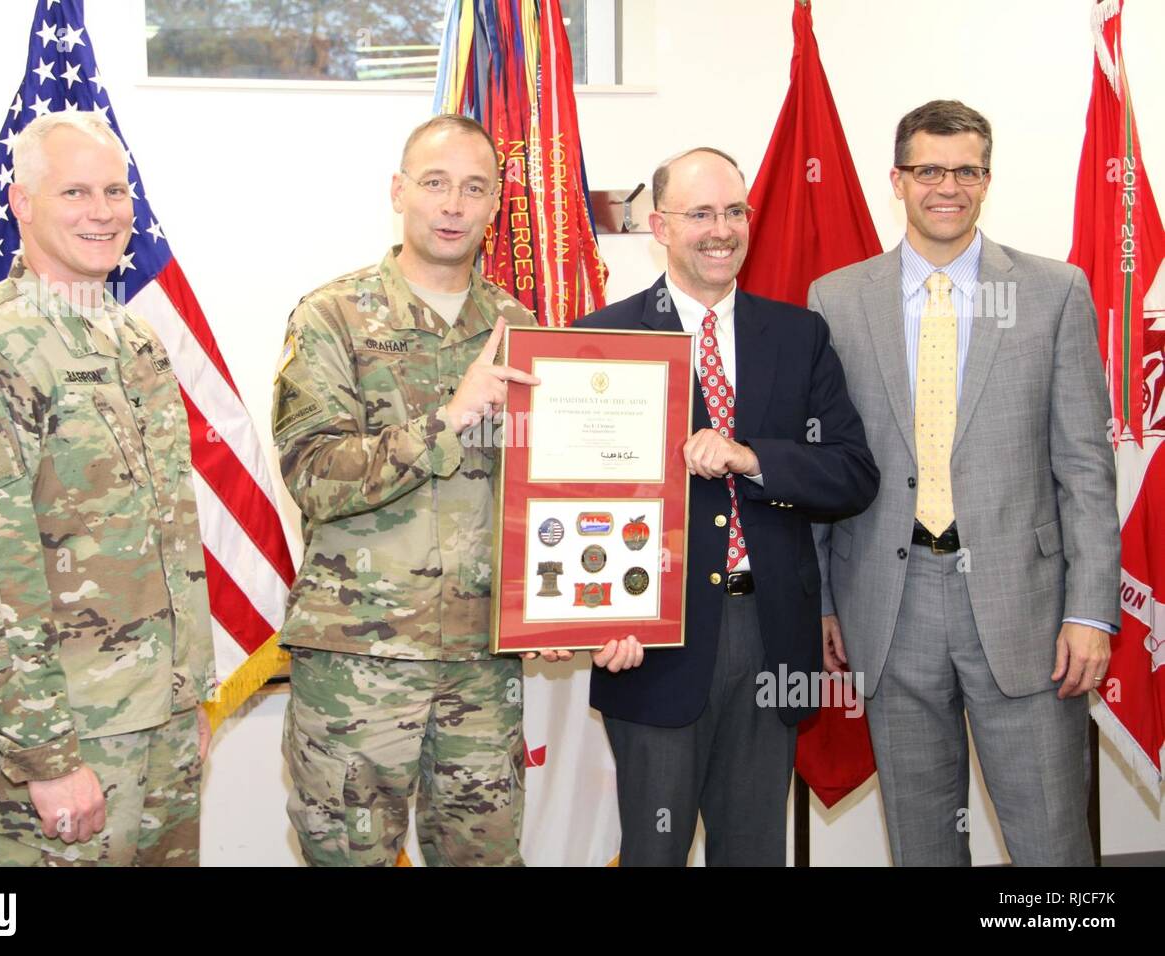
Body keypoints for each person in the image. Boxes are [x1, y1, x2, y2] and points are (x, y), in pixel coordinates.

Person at [809, 100, 1119, 866]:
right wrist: (821, 600)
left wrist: (1092, 610)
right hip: (889, 605)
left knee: (1050, 842)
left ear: (986, 179)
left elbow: (1086, 468)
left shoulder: (1054, 292)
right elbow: (824, 462)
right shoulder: (838, 300)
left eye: (966, 171)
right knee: (922, 844)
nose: (947, 187)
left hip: (1030, 613)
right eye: (929, 170)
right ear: (898, 179)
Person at [0, 111, 215, 866]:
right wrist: (46, 757)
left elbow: (164, 539)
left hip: (160, 726)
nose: (102, 212)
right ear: (21, 203)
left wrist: (188, 698)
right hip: (61, 740)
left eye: (116, 191)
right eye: (75, 191)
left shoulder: (134, 339)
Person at [272, 114, 563, 866]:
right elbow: (313, 473)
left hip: (481, 666)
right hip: (358, 666)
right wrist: (449, 419)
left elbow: (544, 491)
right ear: (399, 192)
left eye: (474, 188)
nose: (453, 205)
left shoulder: (517, 325)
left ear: (497, 204)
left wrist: (557, 598)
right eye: (435, 184)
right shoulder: (331, 317)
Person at [574, 147, 878, 865]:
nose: (722, 229)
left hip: (770, 636)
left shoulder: (799, 335)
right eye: (701, 213)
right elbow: (574, 498)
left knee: (753, 852)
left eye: (735, 211)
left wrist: (751, 457)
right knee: (654, 852)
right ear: (659, 225)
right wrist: (598, 610)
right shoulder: (602, 338)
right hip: (651, 640)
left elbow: (852, 473)